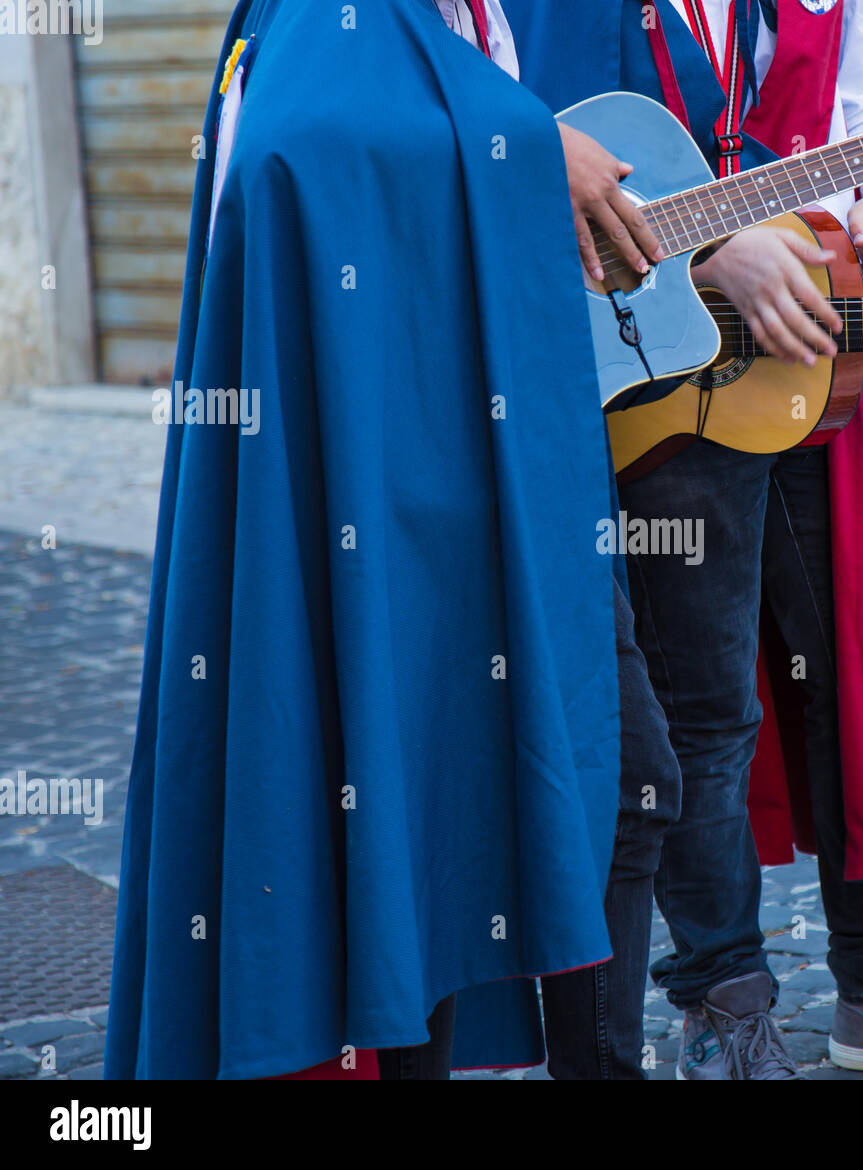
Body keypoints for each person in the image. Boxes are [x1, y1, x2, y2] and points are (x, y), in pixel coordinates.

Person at [505, 0, 863, 1079]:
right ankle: (720, 1007)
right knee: (704, 706)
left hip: (821, 335)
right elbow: (516, 129)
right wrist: (710, 249)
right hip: (652, 364)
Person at [105, 0, 677, 1081]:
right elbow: (297, 147)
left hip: (486, 483)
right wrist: (522, 140)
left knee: (609, 779)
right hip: (390, 494)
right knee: (405, 803)